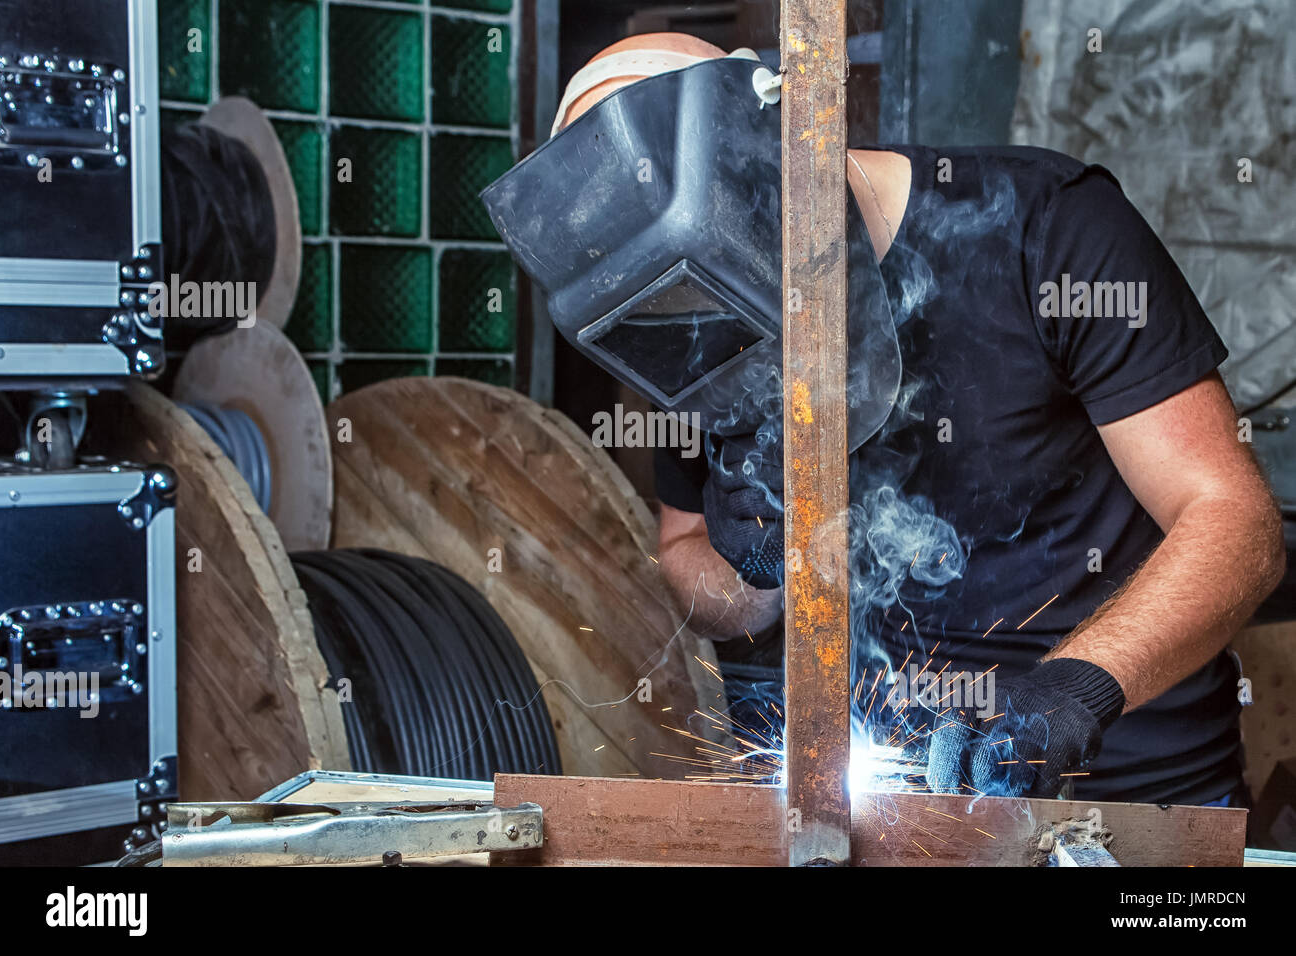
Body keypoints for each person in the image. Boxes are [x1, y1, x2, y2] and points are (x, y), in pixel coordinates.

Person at [549, 33, 1286, 805]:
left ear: (770, 148)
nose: (721, 323)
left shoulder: (1050, 228)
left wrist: (1078, 688)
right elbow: (686, 557)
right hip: (902, 798)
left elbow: (1233, 521)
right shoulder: (683, 324)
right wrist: (755, 572)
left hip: (1137, 798)